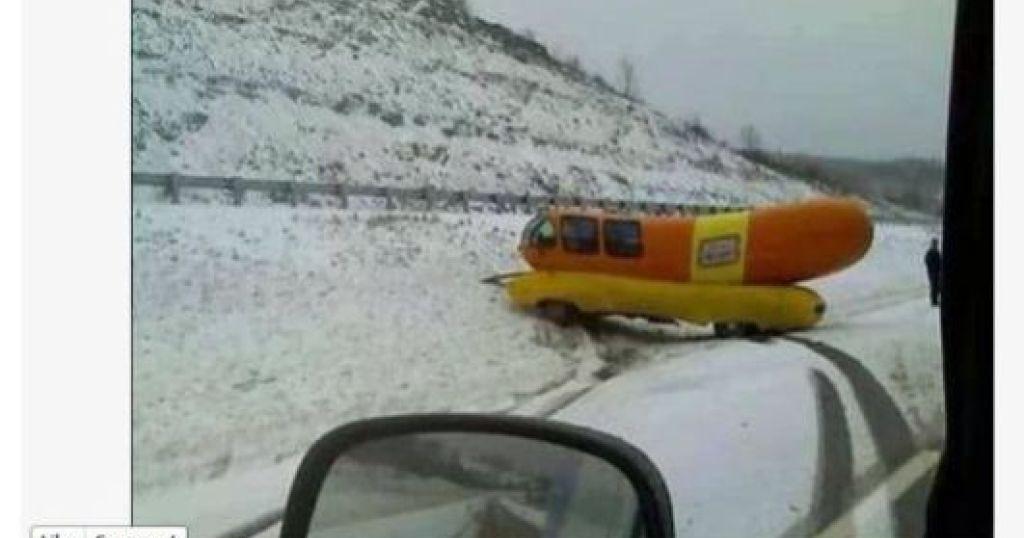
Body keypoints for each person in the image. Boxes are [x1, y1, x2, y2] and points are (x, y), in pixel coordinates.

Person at [925, 238, 943, 306]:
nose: (936, 245)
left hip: (937, 272)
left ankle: (935, 300)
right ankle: (933, 301)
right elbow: (927, 261)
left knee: (938, 285)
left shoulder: (937, 252)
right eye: (935, 244)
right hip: (932, 272)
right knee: (934, 286)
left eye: (936, 244)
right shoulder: (930, 252)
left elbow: (940, 261)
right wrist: (933, 267)